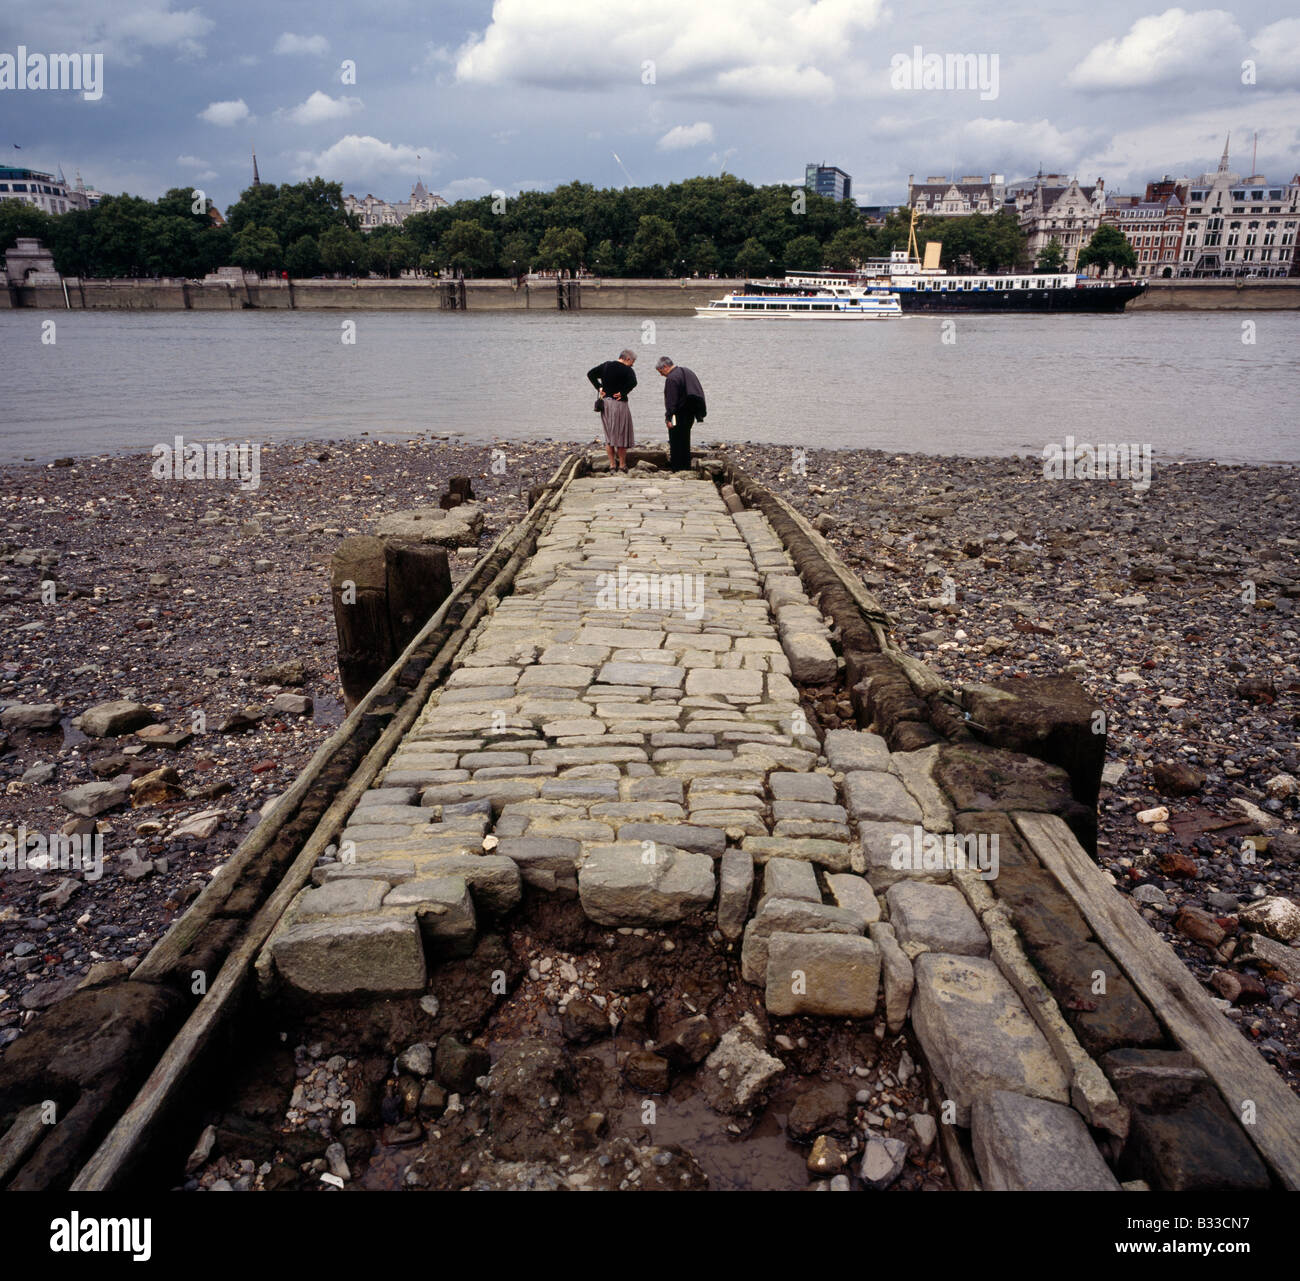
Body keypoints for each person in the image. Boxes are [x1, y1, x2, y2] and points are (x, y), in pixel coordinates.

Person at [587, 348, 637, 473]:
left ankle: (612, 465)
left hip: (606, 404)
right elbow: (634, 382)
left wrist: (599, 388)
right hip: (619, 405)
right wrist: (623, 392)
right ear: (627, 359)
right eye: (633, 361)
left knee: (609, 436)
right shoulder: (627, 370)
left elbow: (590, 374)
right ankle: (622, 465)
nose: (633, 364)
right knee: (621, 435)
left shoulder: (606, 365)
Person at [655, 356, 706, 472]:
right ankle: (685, 466)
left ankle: (677, 468)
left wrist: (668, 418)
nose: (661, 375)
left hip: (678, 415)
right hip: (690, 413)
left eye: (661, 371)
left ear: (665, 367)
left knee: (676, 442)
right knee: (685, 441)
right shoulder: (686, 371)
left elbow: (671, 402)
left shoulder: (671, 379)